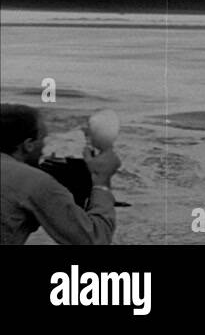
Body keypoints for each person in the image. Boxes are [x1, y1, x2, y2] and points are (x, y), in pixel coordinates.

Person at [1, 104, 121, 245]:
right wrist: (102, 181)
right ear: (28, 145)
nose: (44, 150)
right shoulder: (33, 181)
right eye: (43, 140)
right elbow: (95, 239)